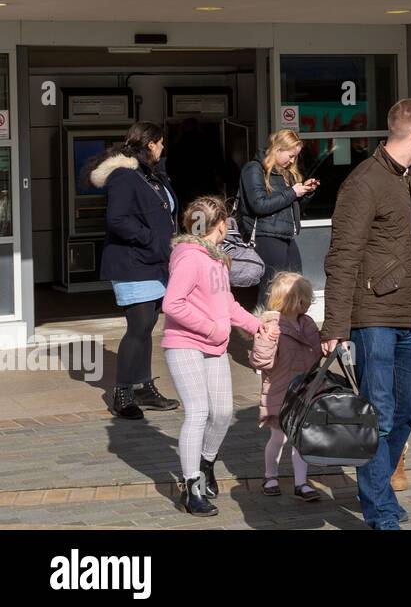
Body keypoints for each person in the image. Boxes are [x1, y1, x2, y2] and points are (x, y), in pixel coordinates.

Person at [322, 98, 411, 531]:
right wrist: (335, 325)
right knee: (377, 412)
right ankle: (379, 509)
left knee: (409, 408)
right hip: (372, 316)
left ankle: (379, 488)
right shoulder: (364, 182)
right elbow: (342, 256)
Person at [162, 196, 277, 515]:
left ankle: (205, 463)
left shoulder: (216, 258)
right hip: (185, 343)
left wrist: (257, 326)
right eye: (229, 222)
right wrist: (211, 328)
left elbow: (227, 305)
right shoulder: (189, 256)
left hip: (213, 346)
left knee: (223, 412)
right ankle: (190, 487)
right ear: (221, 225)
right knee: (198, 411)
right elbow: (172, 304)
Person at [88, 122, 181, 420]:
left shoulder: (147, 174)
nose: (163, 148)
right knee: (139, 326)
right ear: (151, 143)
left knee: (147, 326)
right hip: (133, 262)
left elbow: (165, 208)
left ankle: (143, 387)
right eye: (161, 144)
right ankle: (123, 392)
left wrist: (160, 168)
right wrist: (151, 240)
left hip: (154, 261)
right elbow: (117, 220)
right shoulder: (124, 176)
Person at [250, 271, 323, 500]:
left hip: (303, 390)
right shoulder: (271, 324)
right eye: (303, 298)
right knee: (278, 437)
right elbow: (260, 361)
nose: (306, 303)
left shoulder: (307, 323)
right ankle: (270, 476)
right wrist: (266, 340)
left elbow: (316, 352)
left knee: (301, 438)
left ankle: (301, 483)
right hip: (279, 391)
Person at [239, 129, 319, 308]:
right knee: (271, 291)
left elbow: (290, 208)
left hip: (286, 235)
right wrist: (292, 193)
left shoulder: (287, 173)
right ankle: (266, 330)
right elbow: (258, 204)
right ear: (277, 149)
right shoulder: (254, 168)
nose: (292, 161)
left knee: (295, 287)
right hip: (265, 235)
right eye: (290, 155)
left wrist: (304, 194)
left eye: (295, 157)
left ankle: (289, 329)